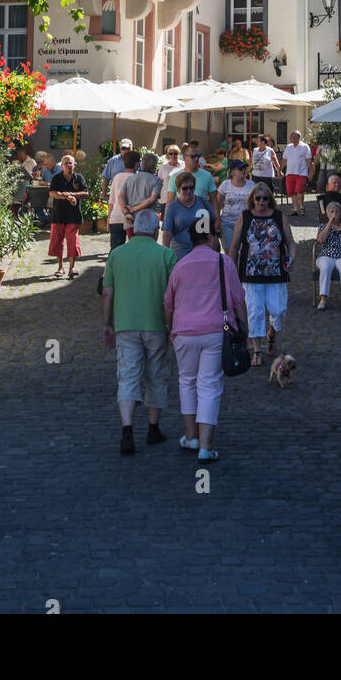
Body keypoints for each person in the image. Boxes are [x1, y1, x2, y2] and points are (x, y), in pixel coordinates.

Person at [163, 213, 248, 462]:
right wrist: (243, 327)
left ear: (192, 239)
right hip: (214, 331)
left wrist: (171, 329)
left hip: (184, 332)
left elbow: (168, 303)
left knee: (187, 382)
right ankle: (206, 445)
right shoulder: (224, 264)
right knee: (209, 386)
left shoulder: (180, 265)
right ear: (211, 236)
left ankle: (191, 437)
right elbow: (238, 299)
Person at [102, 210, 176, 455]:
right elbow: (173, 296)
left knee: (128, 375)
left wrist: (107, 323)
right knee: (157, 375)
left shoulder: (117, 254)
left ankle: (127, 430)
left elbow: (108, 293)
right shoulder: (166, 255)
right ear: (156, 232)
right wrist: (172, 325)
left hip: (125, 324)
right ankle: (153, 428)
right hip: (157, 325)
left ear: (132, 230)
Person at [228, 180, 297, 366]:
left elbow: (290, 242)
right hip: (250, 273)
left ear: (270, 199)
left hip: (276, 272)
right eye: (258, 198)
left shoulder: (279, 216)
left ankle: (271, 334)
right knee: (254, 312)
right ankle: (257, 350)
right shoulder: (245, 217)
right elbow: (234, 246)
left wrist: (291, 259)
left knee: (279, 310)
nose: (261, 202)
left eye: (265, 198)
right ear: (252, 199)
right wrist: (232, 271)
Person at [47, 153, 89, 278]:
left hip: (73, 214)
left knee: (73, 241)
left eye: (71, 163)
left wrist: (72, 194)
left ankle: (72, 267)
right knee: (57, 241)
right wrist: (65, 196)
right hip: (58, 214)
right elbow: (52, 193)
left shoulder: (79, 178)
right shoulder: (56, 178)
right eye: (66, 163)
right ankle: (60, 267)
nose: (69, 165)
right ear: (62, 166)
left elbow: (86, 193)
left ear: (74, 165)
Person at [162, 172, 218, 260]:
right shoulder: (172, 207)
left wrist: (213, 250)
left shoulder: (203, 202)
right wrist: (165, 256)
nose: (189, 191)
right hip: (180, 256)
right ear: (178, 189)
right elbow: (167, 233)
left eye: (191, 187)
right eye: (185, 188)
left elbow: (214, 224)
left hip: (203, 255)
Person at [313, 201, 341, 311]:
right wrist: (329, 223)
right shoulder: (323, 226)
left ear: (340, 214)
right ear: (327, 214)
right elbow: (320, 240)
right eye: (332, 212)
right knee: (326, 267)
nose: (334, 214)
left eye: (337, 212)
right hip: (326, 255)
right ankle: (323, 299)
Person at [215, 158, 254, 248]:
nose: (243, 171)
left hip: (246, 225)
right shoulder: (225, 184)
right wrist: (217, 222)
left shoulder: (252, 184)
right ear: (233, 172)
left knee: (245, 254)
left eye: (244, 168)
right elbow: (218, 205)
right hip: (227, 224)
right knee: (230, 255)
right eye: (240, 169)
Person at [120, 152, 160, 236]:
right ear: (154, 167)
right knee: (146, 247)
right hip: (147, 222)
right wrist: (134, 209)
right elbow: (152, 199)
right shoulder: (157, 181)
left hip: (130, 220)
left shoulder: (130, 178)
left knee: (133, 247)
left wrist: (126, 212)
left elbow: (121, 196)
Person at [107, 150, 139, 251]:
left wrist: (109, 218)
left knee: (115, 251)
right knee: (134, 251)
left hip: (116, 217)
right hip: (131, 218)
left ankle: (112, 267)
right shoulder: (137, 178)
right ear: (137, 163)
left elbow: (111, 200)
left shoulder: (117, 177)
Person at [282, 130, 312, 216]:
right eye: (291, 137)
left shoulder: (305, 147)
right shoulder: (288, 147)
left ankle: (302, 207)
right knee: (292, 192)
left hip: (301, 173)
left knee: (300, 191)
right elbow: (284, 160)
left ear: (298, 138)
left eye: (293, 137)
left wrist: (311, 173)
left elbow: (309, 161)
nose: (291, 138)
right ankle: (295, 209)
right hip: (290, 173)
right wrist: (280, 169)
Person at [99, 138, 135, 204]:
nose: (125, 151)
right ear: (120, 149)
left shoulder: (137, 161)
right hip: (115, 195)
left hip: (132, 195)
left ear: (132, 148)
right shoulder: (113, 160)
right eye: (123, 148)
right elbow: (106, 177)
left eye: (127, 148)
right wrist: (103, 192)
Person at [157, 145, 182, 213]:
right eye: (171, 153)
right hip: (166, 198)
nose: (173, 155)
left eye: (175, 153)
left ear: (179, 154)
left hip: (180, 198)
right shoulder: (163, 166)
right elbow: (159, 182)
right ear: (168, 155)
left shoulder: (183, 165)